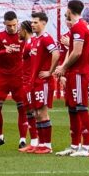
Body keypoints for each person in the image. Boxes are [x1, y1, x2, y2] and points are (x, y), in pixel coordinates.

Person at [56, 0, 89, 157]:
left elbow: (77, 52)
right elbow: (72, 50)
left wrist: (63, 67)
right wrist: (65, 69)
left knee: (81, 107)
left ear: (69, 11)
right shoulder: (79, 26)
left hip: (79, 72)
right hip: (73, 73)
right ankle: (75, 145)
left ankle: (87, 146)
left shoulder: (79, 27)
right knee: (72, 108)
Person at [0, 9, 27, 151]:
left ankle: (23, 140)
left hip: (19, 77)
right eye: (9, 25)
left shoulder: (23, 34)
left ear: (17, 22)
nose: (12, 28)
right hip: (3, 77)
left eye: (14, 25)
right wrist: (5, 51)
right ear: (4, 23)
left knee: (22, 107)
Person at [19, 12, 57, 154]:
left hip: (44, 82)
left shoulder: (46, 38)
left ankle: (47, 145)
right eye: (32, 22)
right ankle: (40, 144)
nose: (33, 25)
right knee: (36, 113)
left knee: (42, 113)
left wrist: (50, 72)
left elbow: (56, 53)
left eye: (36, 22)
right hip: (34, 82)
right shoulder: (35, 40)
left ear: (44, 23)